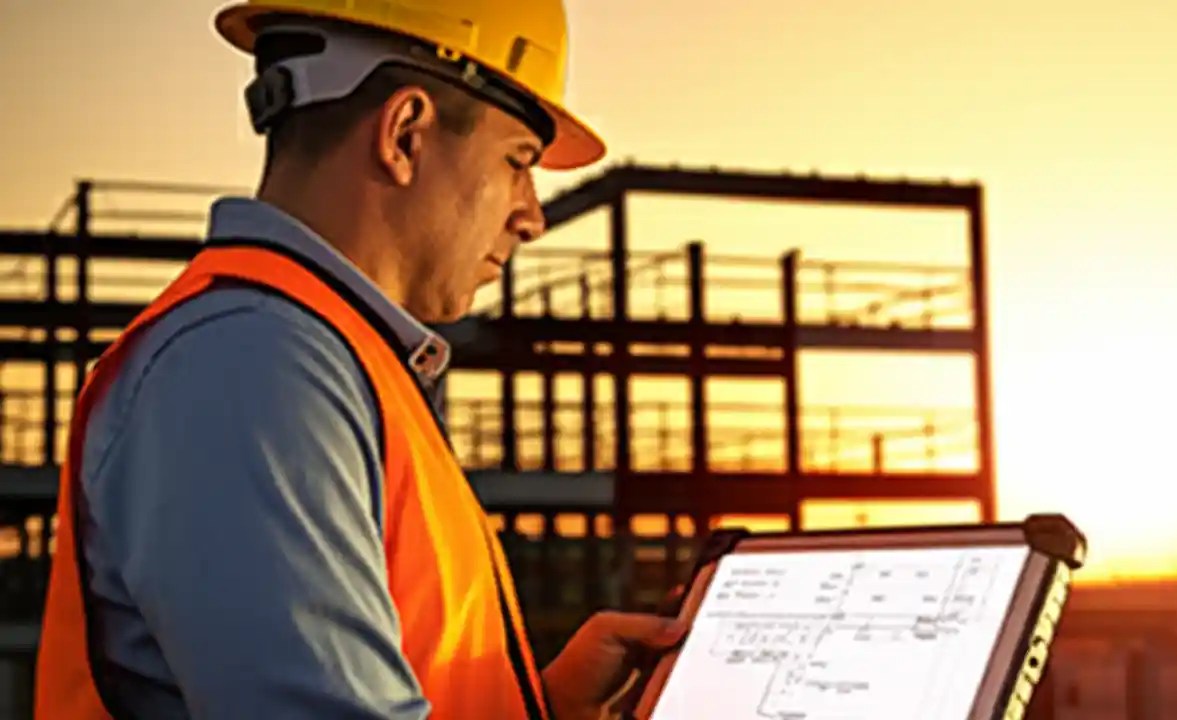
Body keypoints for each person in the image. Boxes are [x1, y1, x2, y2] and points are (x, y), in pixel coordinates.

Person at [34, 1, 687, 718]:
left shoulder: (326, 360)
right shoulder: (252, 367)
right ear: (405, 134)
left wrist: (546, 708)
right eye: (518, 162)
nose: (531, 214)